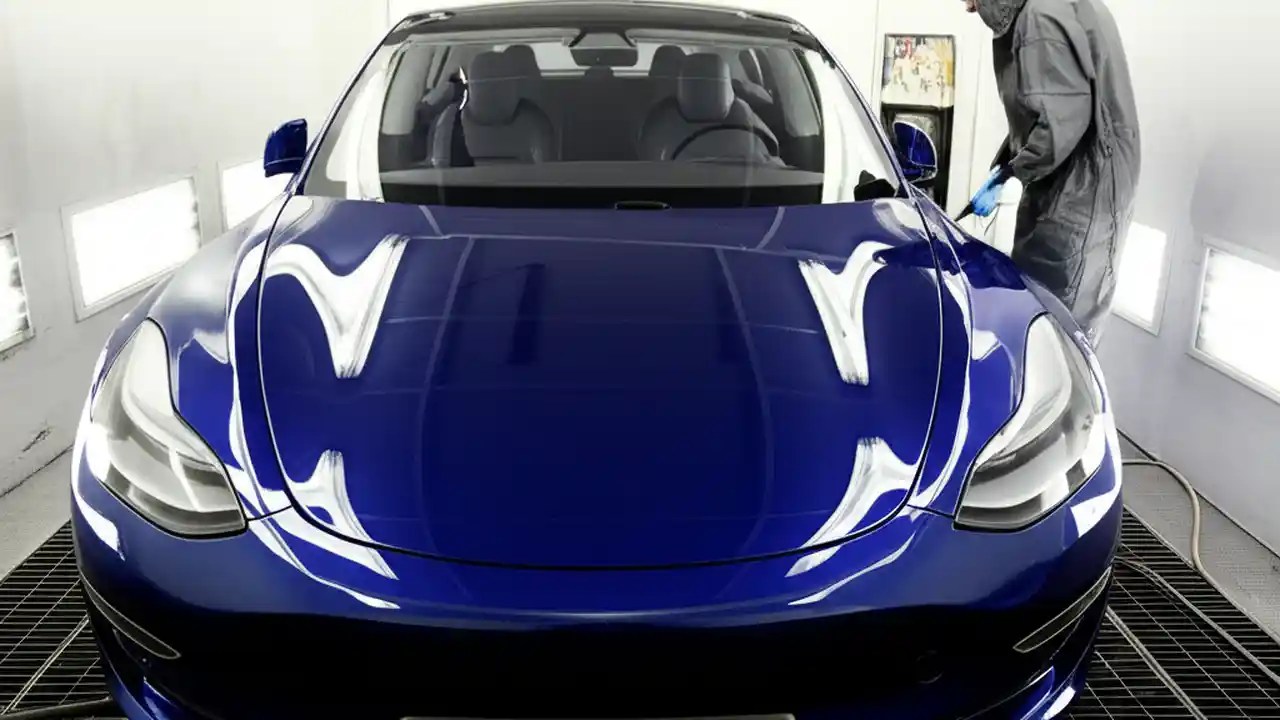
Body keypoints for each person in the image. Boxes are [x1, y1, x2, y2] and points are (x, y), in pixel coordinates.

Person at [964, 0, 1141, 345]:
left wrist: (1013, 172)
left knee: (1054, 335)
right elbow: (1047, 107)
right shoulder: (1051, 7)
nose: (968, 7)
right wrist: (1006, 165)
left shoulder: (1039, 17)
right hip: (1083, 186)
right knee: (1049, 321)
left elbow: (1061, 124)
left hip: (1079, 195)